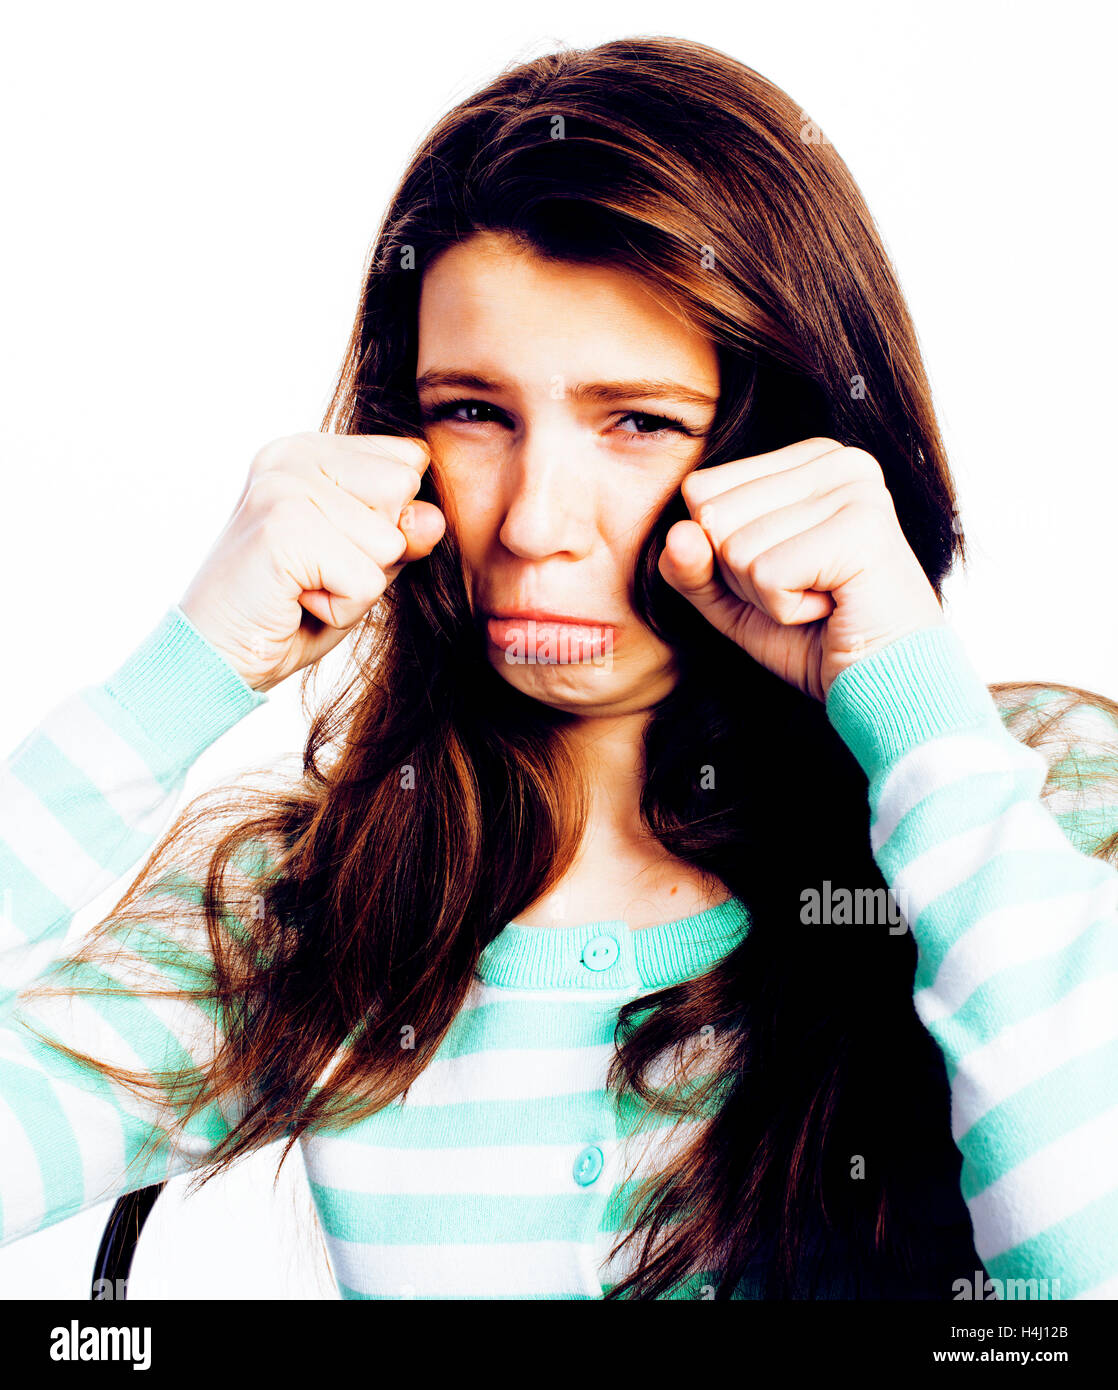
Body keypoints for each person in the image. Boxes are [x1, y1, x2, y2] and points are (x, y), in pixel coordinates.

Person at [2, 35, 1116, 1301]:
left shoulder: (1038, 812)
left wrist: (917, 713)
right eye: (471, 411)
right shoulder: (311, 899)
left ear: (790, 439)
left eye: (636, 422)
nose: (533, 523)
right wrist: (178, 680)